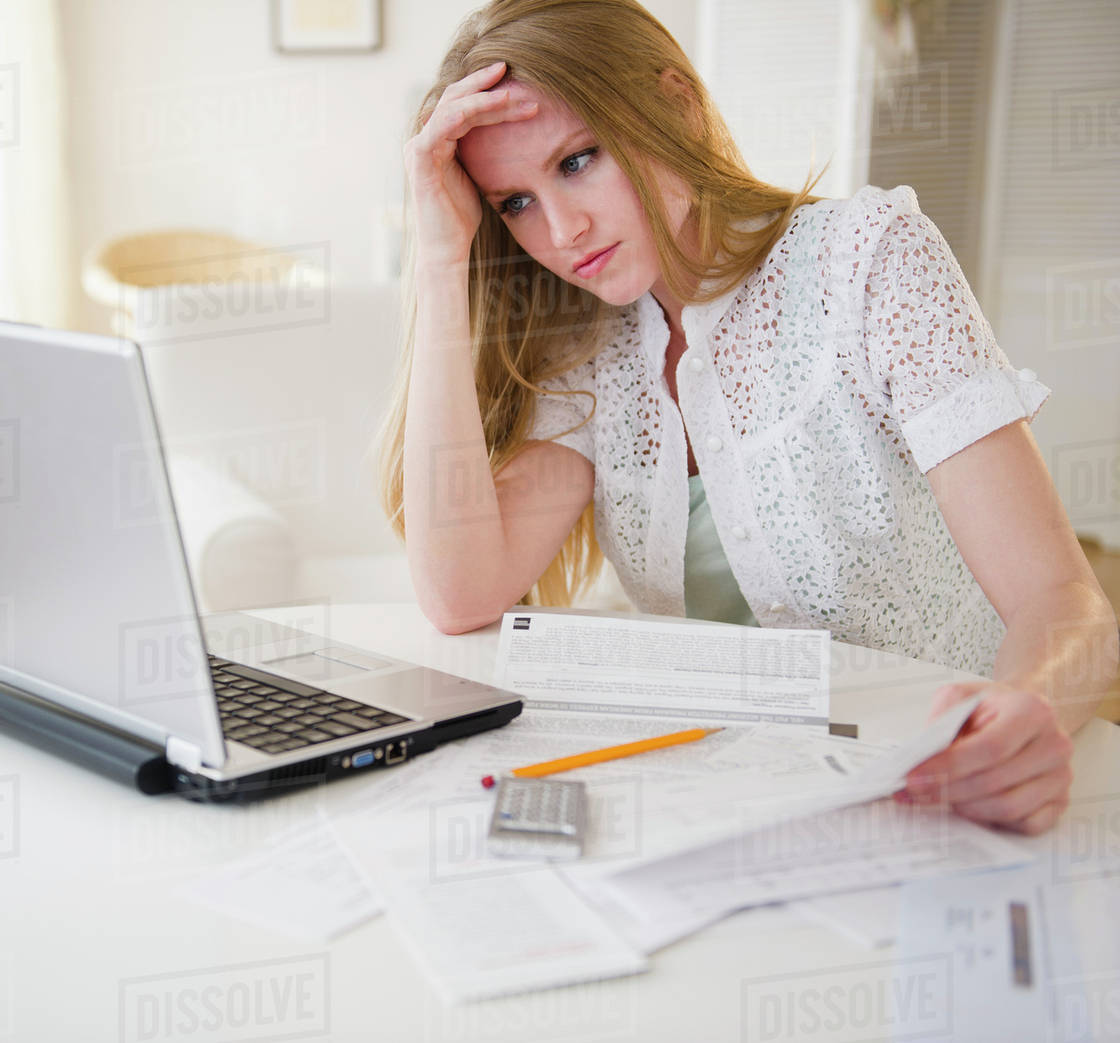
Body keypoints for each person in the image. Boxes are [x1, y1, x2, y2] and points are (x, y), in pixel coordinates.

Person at [377, 0, 1118, 834]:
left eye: (578, 160)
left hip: (941, 794)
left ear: (677, 105)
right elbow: (460, 593)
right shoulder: (585, 345)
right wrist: (439, 259)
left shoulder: (867, 260)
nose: (561, 229)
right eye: (515, 202)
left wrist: (1024, 711)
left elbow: (1067, 601)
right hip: (733, 806)